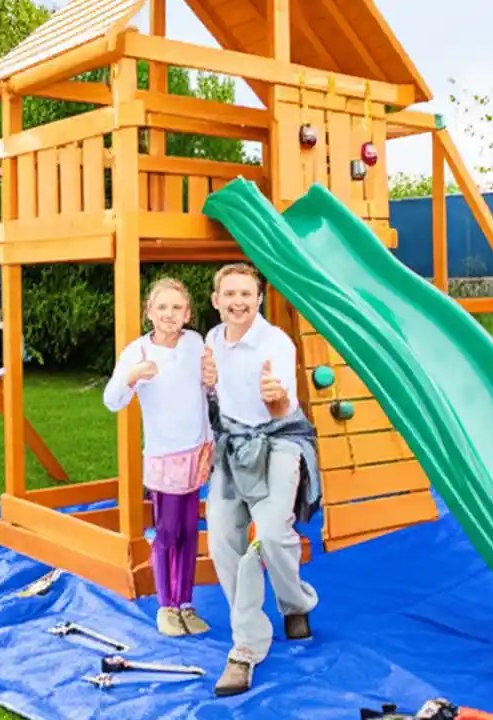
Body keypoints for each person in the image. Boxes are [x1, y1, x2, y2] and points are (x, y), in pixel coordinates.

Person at [200, 262, 322, 696]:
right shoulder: (213, 339)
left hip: (279, 438)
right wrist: (209, 388)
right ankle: (247, 640)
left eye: (246, 295)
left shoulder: (277, 344)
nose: (237, 302)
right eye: (229, 294)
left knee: (271, 533)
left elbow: (278, 410)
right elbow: (210, 400)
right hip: (234, 443)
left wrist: (276, 397)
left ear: (259, 299)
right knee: (220, 536)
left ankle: (295, 602)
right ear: (216, 301)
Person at [103, 277, 214, 637]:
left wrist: (209, 442)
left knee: (189, 530)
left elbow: (203, 395)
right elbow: (112, 400)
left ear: (188, 314)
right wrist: (132, 377)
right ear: (149, 312)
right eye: (162, 307)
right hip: (163, 456)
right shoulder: (138, 351)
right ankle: (166, 606)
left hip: (194, 452)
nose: (169, 314)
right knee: (167, 532)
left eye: (177, 308)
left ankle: (186, 603)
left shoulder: (195, 343)